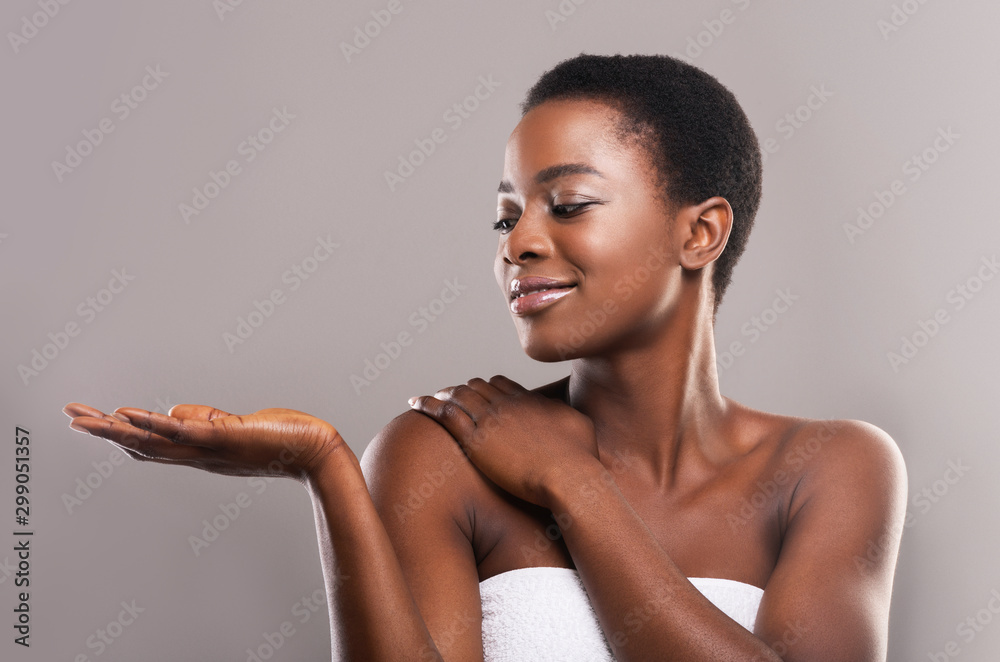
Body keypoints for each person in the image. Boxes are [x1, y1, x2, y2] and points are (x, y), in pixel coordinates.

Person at [63, 53, 907, 661]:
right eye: (507, 217)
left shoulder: (832, 467)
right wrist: (326, 468)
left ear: (701, 233)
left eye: (567, 204)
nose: (519, 243)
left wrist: (573, 486)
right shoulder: (445, 453)